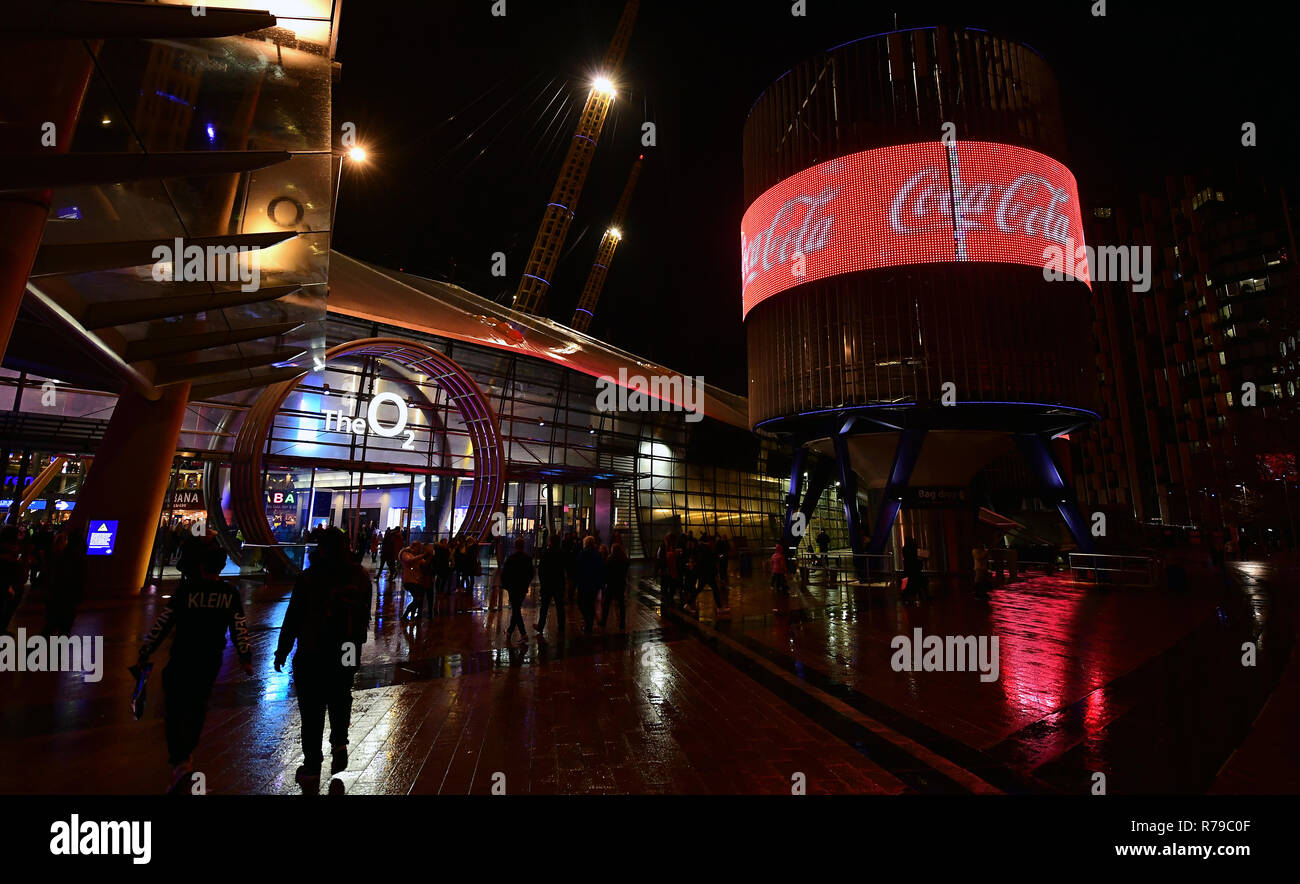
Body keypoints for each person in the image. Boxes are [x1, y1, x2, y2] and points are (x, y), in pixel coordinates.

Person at [137, 544, 252, 793]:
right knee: (198, 705)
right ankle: (186, 755)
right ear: (221, 567)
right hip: (209, 661)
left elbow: (164, 622)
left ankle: (179, 758)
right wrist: (245, 657)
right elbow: (239, 627)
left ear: (201, 565)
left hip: (182, 657)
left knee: (174, 707)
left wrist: (147, 648)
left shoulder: (187, 591)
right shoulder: (229, 593)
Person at [275, 527, 372, 786]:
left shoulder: (310, 577)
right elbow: (365, 618)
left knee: (312, 708)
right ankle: (339, 741)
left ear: (322, 547)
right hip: (348, 648)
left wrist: (282, 650)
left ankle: (312, 766)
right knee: (342, 693)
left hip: (313, 649)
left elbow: (293, 617)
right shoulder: (360, 576)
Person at [41, 528, 85, 636]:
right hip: (67, 597)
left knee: (50, 627)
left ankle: (32, 649)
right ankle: (58, 650)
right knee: (63, 629)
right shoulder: (77, 558)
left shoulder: (62, 555)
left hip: (56, 595)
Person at [501, 536, 534, 643]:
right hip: (522, 588)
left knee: (516, 610)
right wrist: (526, 584)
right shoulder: (527, 559)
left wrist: (506, 586)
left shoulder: (511, 559)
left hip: (513, 588)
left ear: (515, 546)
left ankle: (523, 634)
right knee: (516, 609)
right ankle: (510, 631)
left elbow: (504, 574)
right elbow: (531, 573)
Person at [536, 533, 566, 637]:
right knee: (560, 606)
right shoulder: (562, 553)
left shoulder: (546, 553)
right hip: (558, 582)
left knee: (544, 606)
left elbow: (541, 570)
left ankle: (541, 625)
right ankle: (561, 626)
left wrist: (542, 581)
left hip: (547, 583)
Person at [574, 536, 605, 633]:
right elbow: (601, 569)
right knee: (590, 603)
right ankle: (589, 623)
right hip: (594, 584)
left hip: (584, 583)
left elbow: (577, 568)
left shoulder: (582, 554)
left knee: (581, 602)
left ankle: (588, 622)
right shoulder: (597, 554)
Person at [601, 542, 630, 631]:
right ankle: (622, 622)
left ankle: (604, 621)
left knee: (606, 603)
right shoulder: (624, 560)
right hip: (620, 583)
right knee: (621, 604)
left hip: (611, 584)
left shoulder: (610, 559)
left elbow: (605, 571)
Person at [399, 539, 431, 620]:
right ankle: (405, 615)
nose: (419, 549)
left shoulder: (414, 555)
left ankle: (409, 615)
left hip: (415, 580)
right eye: (418, 547)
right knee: (417, 598)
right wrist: (424, 555)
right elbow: (409, 560)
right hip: (409, 580)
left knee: (417, 599)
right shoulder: (405, 553)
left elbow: (424, 563)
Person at [901, 538, 929, 604]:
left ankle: (905, 598)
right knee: (921, 584)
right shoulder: (913, 551)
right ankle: (924, 597)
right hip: (915, 572)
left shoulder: (906, 550)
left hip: (908, 572)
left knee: (907, 585)